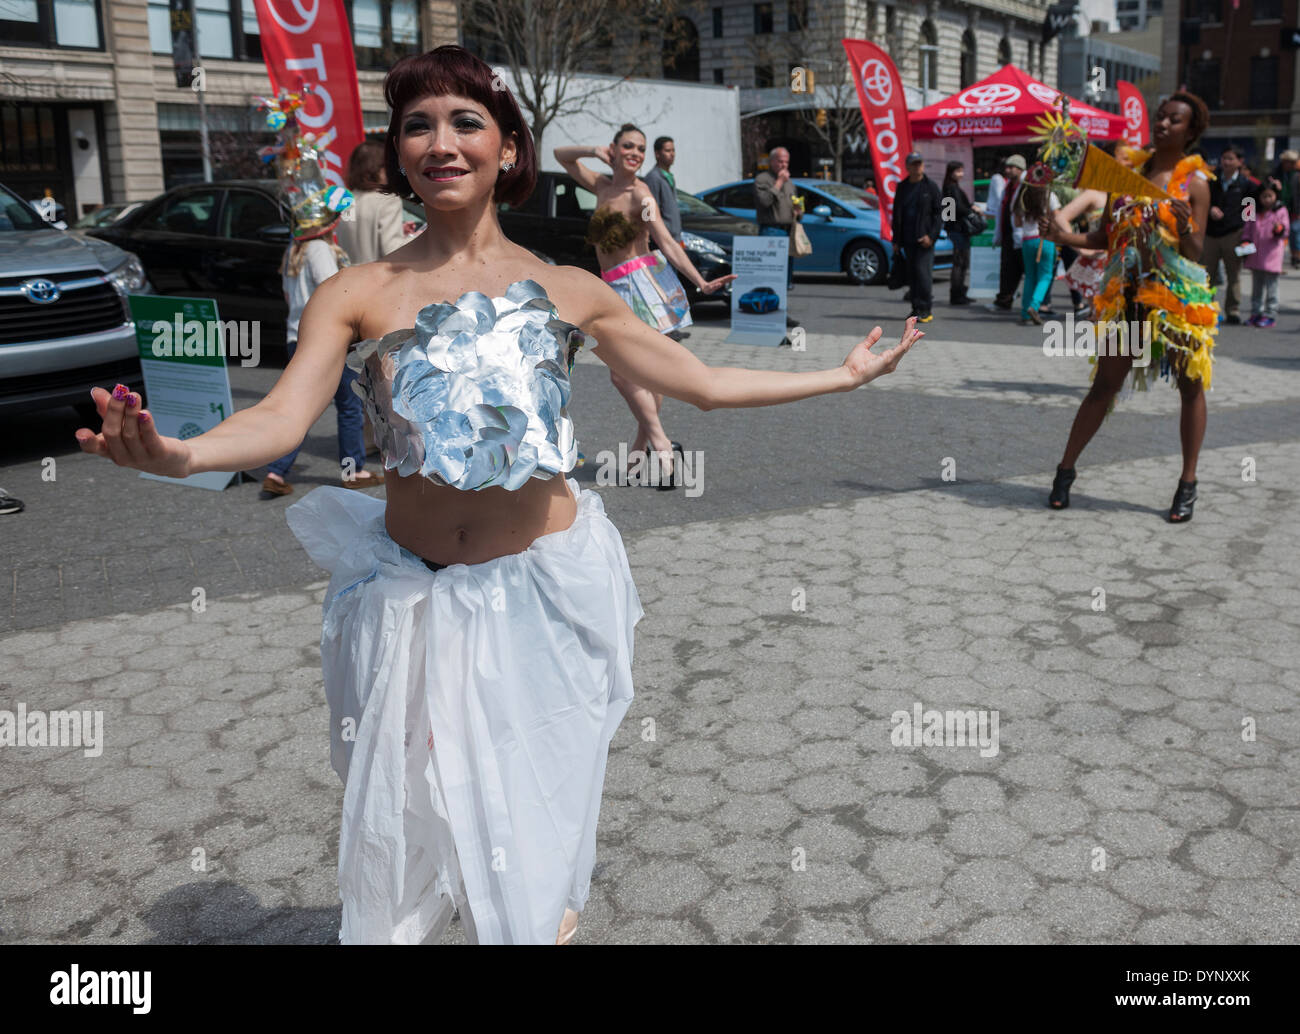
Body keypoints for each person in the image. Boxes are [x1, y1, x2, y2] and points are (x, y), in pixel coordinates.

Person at [72, 45, 924, 945]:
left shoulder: (570, 289)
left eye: (465, 122)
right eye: (418, 126)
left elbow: (701, 383)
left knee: (533, 828)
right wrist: (179, 455)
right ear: (399, 152)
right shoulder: (358, 293)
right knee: (408, 824)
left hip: (541, 600)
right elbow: (282, 422)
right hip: (408, 603)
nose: (440, 142)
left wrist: (840, 376)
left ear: (509, 149)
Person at [1041, 91, 1216, 524]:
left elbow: (1197, 251)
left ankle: (1187, 483)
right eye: (1160, 117)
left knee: (1190, 386)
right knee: (1104, 386)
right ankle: (1065, 472)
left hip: (1175, 298)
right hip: (1127, 298)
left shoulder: (1194, 183)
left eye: (1174, 120)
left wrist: (1183, 222)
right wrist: (1064, 238)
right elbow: (1103, 238)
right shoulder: (1126, 172)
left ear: (1191, 131)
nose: (1162, 125)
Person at [556, 125, 735, 488]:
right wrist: (593, 149)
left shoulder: (643, 196)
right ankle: (642, 453)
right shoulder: (602, 185)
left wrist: (700, 281)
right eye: (628, 146)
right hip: (612, 286)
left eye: (640, 148)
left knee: (624, 374)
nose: (635, 153)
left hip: (642, 286)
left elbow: (665, 241)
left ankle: (662, 445)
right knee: (644, 375)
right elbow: (563, 157)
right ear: (615, 149)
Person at [259, 218, 385, 497]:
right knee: (349, 408)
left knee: (301, 410)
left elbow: (288, 297)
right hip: (329, 340)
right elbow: (336, 291)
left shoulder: (294, 249)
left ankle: (276, 472)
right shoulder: (320, 250)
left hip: (297, 336)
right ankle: (353, 472)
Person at [1202, 146, 1257, 325]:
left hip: (1233, 234)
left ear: (1240, 162)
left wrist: (1245, 232)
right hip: (1210, 234)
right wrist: (1210, 209)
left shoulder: (1246, 185)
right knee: (1206, 274)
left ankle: (1232, 310)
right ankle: (1205, 307)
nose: (1226, 162)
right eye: (1224, 158)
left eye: (1230, 159)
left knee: (1233, 274)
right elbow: (1202, 201)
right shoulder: (1212, 181)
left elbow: (1250, 210)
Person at [336, 137, 408, 265]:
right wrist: (415, 239)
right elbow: (393, 250)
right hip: (380, 278)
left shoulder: (345, 202)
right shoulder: (388, 200)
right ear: (377, 168)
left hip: (350, 279)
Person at [892, 152, 942, 323]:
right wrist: (896, 240)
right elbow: (897, 214)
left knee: (923, 275)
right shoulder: (902, 187)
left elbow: (940, 214)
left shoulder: (931, 187)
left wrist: (932, 236)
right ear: (907, 167)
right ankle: (915, 308)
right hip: (907, 239)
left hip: (925, 240)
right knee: (912, 275)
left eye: (919, 163)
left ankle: (925, 309)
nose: (917, 167)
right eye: (913, 164)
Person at [1241, 181, 1289, 327]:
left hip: (1271, 254)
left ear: (1275, 196)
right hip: (1256, 255)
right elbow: (1247, 228)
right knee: (1256, 288)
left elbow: (1285, 230)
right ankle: (1256, 312)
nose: (1267, 199)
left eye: (1270, 196)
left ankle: (1270, 313)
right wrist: (1245, 241)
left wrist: (1279, 230)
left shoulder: (1280, 210)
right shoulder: (1253, 210)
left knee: (1272, 288)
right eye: (1264, 196)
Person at [754, 146, 802, 294]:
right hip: (771, 231)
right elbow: (765, 202)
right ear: (772, 161)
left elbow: (794, 204)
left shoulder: (790, 183)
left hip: (788, 231)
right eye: (780, 161)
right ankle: (768, 308)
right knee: (771, 276)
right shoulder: (762, 179)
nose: (784, 165)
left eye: (786, 162)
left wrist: (798, 211)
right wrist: (779, 182)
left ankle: (782, 312)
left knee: (785, 277)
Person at [1012, 183, 1059, 325]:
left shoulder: (1022, 196)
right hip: (1045, 239)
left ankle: (1025, 312)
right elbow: (1058, 217)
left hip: (1027, 240)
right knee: (1045, 276)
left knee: (1030, 276)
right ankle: (1035, 305)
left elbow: (1017, 222)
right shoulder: (1049, 195)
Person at [991, 155, 1027, 311]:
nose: (1007, 170)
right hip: (1008, 236)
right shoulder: (1008, 187)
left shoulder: (1025, 186)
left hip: (1023, 235)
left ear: (1020, 169)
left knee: (1028, 270)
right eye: (1007, 167)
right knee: (1007, 270)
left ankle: (1037, 304)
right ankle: (1004, 300)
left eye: (1011, 167)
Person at [941, 160, 973, 306]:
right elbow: (954, 210)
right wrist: (971, 211)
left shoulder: (950, 187)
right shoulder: (951, 188)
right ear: (951, 172)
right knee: (960, 262)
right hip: (958, 230)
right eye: (958, 171)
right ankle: (957, 293)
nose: (961, 174)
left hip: (955, 229)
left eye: (962, 170)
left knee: (961, 262)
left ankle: (960, 292)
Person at [642, 136, 682, 242]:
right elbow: (648, 212)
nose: (672, 154)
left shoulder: (669, 176)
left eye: (673, 150)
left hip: (674, 238)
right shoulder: (653, 178)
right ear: (657, 154)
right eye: (667, 150)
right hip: (661, 240)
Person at [1270, 149, 1300, 268]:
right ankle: (1277, 259)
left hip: (1294, 209)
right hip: (1279, 209)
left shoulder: (1297, 175)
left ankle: (1295, 256)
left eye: (1293, 162)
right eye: (1289, 162)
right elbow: (1268, 190)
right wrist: (1275, 186)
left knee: (1294, 233)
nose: (1291, 164)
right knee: (1279, 233)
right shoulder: (1276, 173)